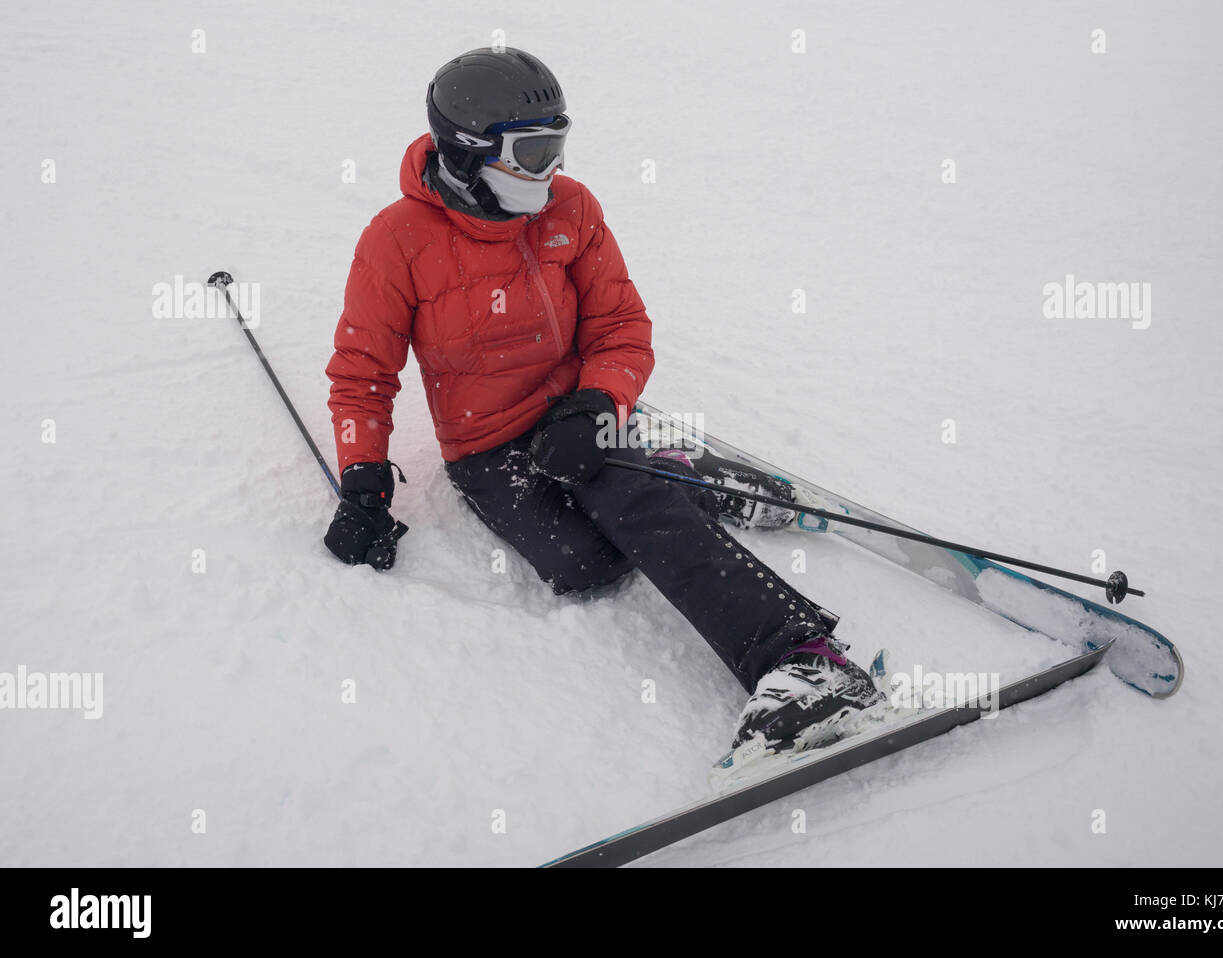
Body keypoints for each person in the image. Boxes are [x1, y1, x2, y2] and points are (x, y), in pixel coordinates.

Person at [323, 46, 886, 759]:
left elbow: (622, 329)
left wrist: (596, 405)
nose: (549, 170)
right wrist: (363, 479)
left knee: (631, 501)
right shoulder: (396, 241)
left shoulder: (571, 209)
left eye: (556, 147)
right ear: (467, 154)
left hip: (579, 412)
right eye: (530, 152)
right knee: (583, 564)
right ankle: (692, 478)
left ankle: (804, 665)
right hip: (487, 445)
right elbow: (362, 373)